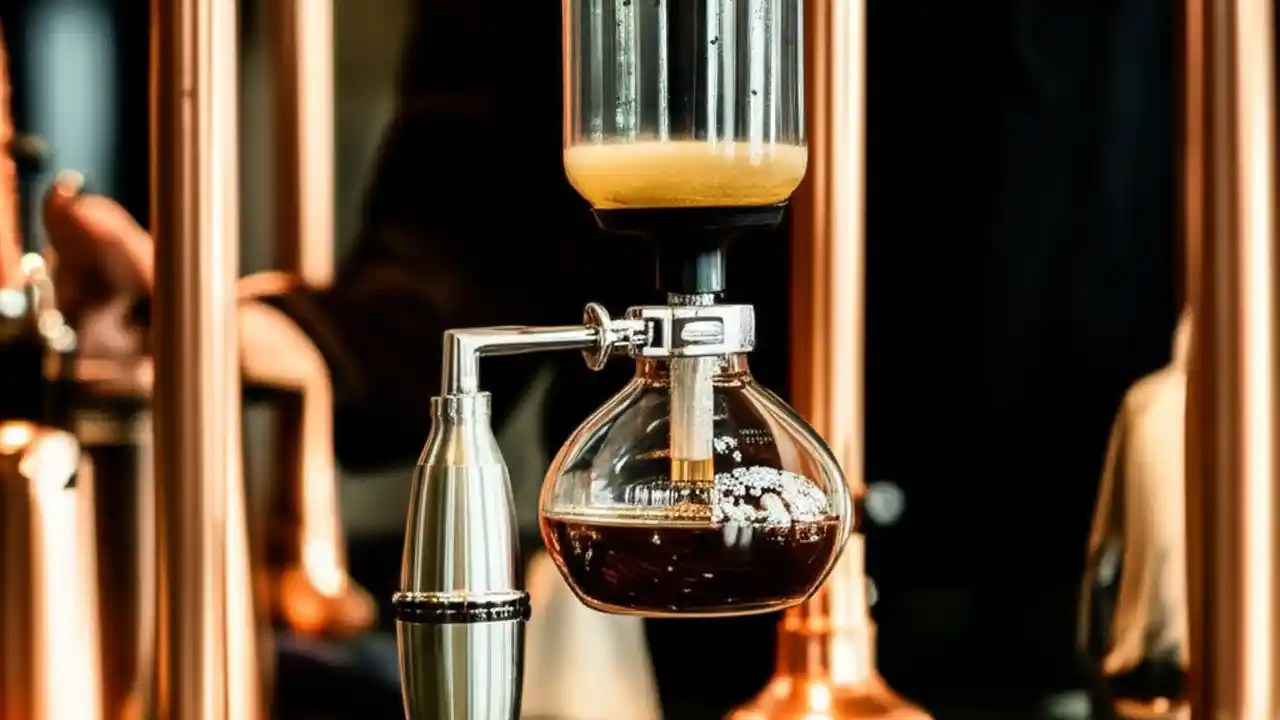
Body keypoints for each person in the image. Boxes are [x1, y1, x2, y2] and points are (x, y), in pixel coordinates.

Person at [41, 1, 1178, 716]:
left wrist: (1204, 393)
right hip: (717, 634)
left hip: (1090, 558)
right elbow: (452, 245)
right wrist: (223, 335)